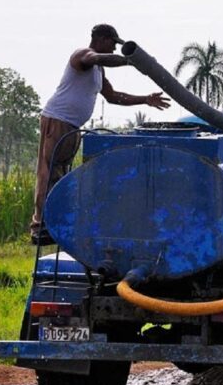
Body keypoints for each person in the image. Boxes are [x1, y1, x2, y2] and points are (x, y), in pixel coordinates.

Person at [31, 24, 171, 245]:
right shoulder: (83, 56)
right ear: (101, 39)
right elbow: (97, 58)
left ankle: (57, 225)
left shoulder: (98, 71)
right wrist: (130, 60)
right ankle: (41, 228)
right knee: (48, 173)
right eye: (112, 43)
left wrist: (145, 99)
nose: (114, 49)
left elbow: (113, 97)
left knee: (61, 175)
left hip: (72, 125)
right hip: (57, 120)